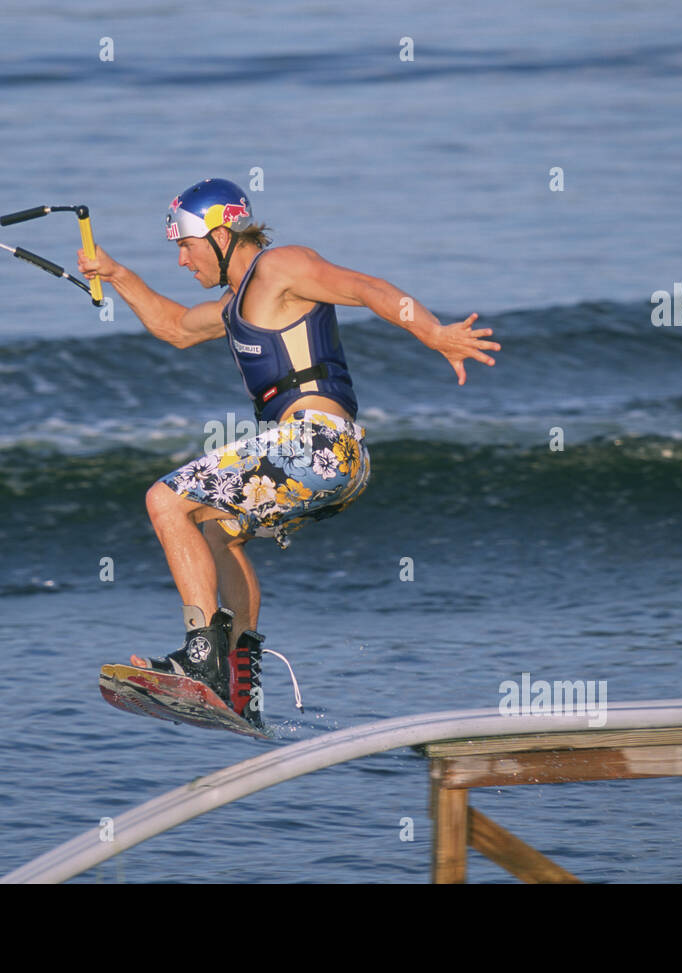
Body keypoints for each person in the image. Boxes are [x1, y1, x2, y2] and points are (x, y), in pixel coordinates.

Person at [77, 178, 499, 728]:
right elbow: (174, 327)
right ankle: (238, 685)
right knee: (214, 530)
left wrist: (433, 333)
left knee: (164, 500)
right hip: (336, 463)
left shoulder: (281, 268)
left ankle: (200, 662)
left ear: (222, 233)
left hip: (315, 443)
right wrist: (116, 275)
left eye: (185, 245)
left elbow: (368, 288)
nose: (182, 261)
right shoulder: (237, 305)